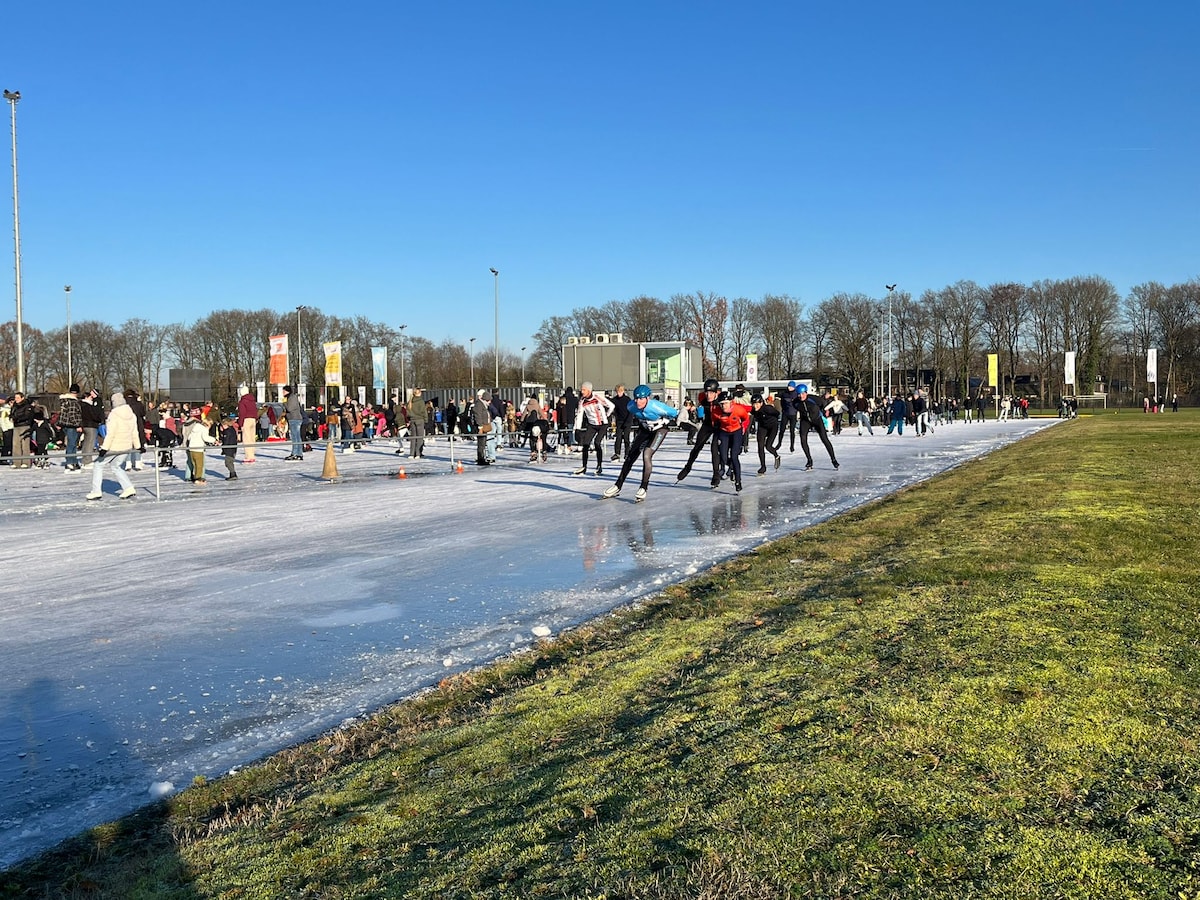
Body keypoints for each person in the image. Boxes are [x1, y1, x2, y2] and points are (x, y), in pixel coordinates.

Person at [602, 385, 678, 502]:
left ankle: (643, 487)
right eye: (636, 398)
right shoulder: (631, 406)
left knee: (646, 455)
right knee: (630, 457)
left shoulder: (656, 406)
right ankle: (618, 485)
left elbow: (674, 413)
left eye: (641, 399)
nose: (638, 401)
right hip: (644, 430)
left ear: (648, 398)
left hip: (659, 430)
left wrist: (666, 419)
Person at [86, 393, 140, 500]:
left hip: (114, 447)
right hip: (127, 446)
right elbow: (134, 432)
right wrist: (138, 446)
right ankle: (128, 488)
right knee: (116, 466)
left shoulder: (114, 415)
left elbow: (111, 434)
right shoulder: (131, 414)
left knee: (98, 465)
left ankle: (96, 491)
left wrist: (105, 448)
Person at [676, 378, 723, 484]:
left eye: (711, 392)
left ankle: (716, 475)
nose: (708, 395)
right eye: (706, 392)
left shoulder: (721, 401)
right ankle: (687, 467)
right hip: (707, 425)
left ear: (716, 392)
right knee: (697, 446)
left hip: (718, 426)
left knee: (714, 449)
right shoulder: (702, 397)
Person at [711, 391, 751, 492]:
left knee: (734, 456)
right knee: (723, 457)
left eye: (726, 403)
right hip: (724, 432)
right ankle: (725, 469)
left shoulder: (738, 410)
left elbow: (746, 418)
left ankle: (738, 481)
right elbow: (714, 421)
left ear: (731, 402)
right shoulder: (716, 411)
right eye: (722, 404)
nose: (724, 406)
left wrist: (743, 430)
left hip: (736, 432)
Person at [572, 381, 615, 476]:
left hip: (602, 424)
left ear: (589, 390)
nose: (582, 391)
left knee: (597, 443)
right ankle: (584, 467)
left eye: (584, 390)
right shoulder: (582, 401)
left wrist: (606, 416)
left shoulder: (597, 397)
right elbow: (579, 415)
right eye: (581, 389)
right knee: (585, 444)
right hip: (591, 425)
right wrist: (577, 429)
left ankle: (599, 466)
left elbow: (611, 406)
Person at [796, 384, 839, 470]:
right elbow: (794, 407)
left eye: (803, 394)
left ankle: (833, 459)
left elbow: (822, 404)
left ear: (806, 393)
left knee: (824, 439)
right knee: (803, 439)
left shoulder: (813, 399)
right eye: (799, 394)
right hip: (805, 421)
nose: (801, 396)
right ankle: (809, 460)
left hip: (817, 420)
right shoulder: (796, 402)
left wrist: (823, 412)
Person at [750, 393, 782, 475]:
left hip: (772, 427)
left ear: (761, 403)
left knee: (768, 446)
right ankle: (763, 467)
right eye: (753, 404)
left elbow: (777, 413)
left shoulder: (768, 408)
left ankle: (776, 456)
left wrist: (772, 419)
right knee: (760, 446)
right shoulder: (753, 410)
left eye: (757, 404)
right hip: (762, 427)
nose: (755, 406)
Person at [182, 408, 217, 483]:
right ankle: (198, 478)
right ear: (208, 424)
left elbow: (189, 437)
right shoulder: (204, 429)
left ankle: (193, 476)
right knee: (200, 464)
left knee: (194, 464)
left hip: (191, 449)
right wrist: (214, 440)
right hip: (198, 449)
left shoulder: (195, 427)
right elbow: (205, 438)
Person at [58, 384, 84, 471]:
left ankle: (73, 461)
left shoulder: (65, 401)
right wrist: (78, 425)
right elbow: (73, 415)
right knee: (72, 444)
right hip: (72, 426)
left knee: (71, 444)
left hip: (66, 424)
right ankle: (70, 462)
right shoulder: (72, 402)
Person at [122, 388, 148, 470]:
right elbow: (143, 413)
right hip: (137, 425)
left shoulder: (123, 404)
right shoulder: (138, 404)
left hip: (126, 426)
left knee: (127, 445)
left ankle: (128, 464)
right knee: (137, 444)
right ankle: (137, 463)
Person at [520, 396, 550, 462]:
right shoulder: (537, 405)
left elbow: (524, 414)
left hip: (529, 423)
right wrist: (546, 420)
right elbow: (541, 413)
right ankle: (542, 452)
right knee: (540, 437)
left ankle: (533, 452)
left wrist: (522, 421)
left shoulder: (528, 405)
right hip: (536, 422)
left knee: (531, 438)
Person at [10, 391, 35, 468]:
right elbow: (12, 414)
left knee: (25, 444)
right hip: (16, 426)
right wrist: (11, 417)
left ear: (22, 398)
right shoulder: (14, 406)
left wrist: (17, 419)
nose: (16, 399)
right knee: (15, 444)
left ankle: (26, 462)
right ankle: (16, 462)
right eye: (15, 398)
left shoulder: (27, 406)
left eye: (18, 397)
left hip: (25, 426)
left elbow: (28, 416)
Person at [775, 381, 800, 453]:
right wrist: (783, 409)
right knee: (782, 430)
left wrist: (797, 411)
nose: (789, 388)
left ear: (794, 387)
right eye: (789, 386)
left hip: (793, 414)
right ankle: (779, 443)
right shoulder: (784, 394)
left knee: (792, 431)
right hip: (785, 413)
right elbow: (782, 402)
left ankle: (792, 446)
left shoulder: (796, 394)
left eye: (791, 387)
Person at [610, 384, 633, 460]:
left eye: (620, 391)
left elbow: (630, 411)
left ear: (623, 391)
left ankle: (627, 453)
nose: (618, 393)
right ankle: (617, 453)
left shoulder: (627, 399)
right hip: (619, 421)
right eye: (617, 392)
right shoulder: (615, 400)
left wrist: (627, 422)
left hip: (627, 421)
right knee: (618, 438)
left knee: (626, 438)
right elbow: (610, 404)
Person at [282, 385, 304, 459]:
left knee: (295, 437)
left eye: (284, 391)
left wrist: (284, 403)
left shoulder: (292, 398)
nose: (283, 392)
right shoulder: (290, 397)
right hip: (293, 419)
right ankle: (298, 453)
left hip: (295, 419)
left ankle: (295, 453)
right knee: (297, 437)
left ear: (287, 391)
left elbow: (289, 408)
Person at [238, 385, 258, 463]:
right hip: (253, 419)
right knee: (252, 438)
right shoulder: (252, 400)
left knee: (246, 439)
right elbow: (255, 410)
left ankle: (248, 456)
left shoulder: (242, 401)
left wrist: (240, 423)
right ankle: (252, 455)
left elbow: (242, 413)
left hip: (246, 419)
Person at [473, 389, 494, 466]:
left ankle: (482, 458)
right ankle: (480, 459)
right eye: (489, 401)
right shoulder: (479, 404)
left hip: (484, 426)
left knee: (483, 443)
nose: (490, 402)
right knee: (481, 443)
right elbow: (478, 415)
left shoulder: (483, 405)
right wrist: (480, 426)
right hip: (481, 427)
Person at [407, 387, 428, 459]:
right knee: (419, 437)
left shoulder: (410, 401)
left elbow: (408, 412)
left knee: (413, 438)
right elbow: (423, 411)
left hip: (412, 420)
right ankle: (418, 453)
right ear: (419, 393)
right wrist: (426, 419)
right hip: (420, 420)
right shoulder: (421, 401)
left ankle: (411, 453)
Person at [219, 413, 239, 480]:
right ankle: (232, 474)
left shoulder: (228, 432)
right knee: (230, 462)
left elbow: (227, 441)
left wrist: (224, 449)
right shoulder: (230, 430)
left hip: (230, 449)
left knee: (228, 462)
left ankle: (233, 474)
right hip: (232, 449)